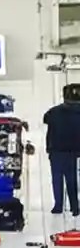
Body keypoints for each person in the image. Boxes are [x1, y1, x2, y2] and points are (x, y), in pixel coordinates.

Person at [43, 84, 80, 216]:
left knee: (57, 178)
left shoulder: (54, 112)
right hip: (74, 151)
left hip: (56, 149)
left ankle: (58, 206)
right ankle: (75, 207)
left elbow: (45, 119)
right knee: (72, 179)